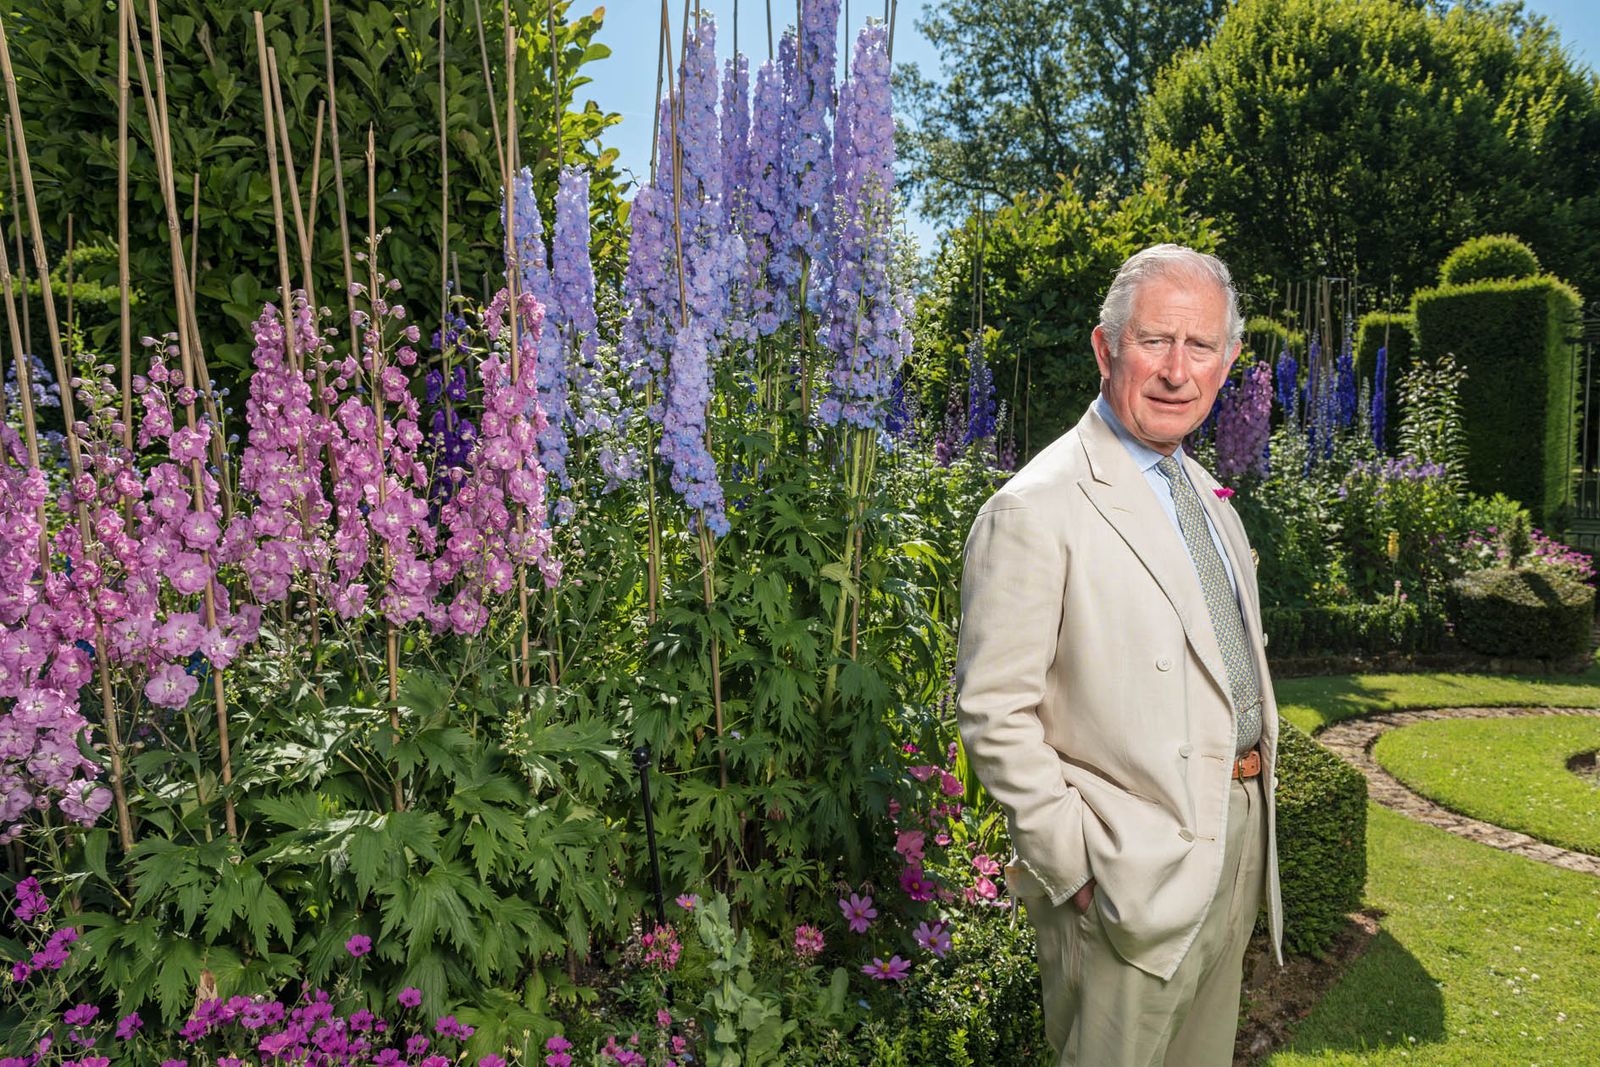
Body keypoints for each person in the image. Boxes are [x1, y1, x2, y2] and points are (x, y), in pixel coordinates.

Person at [954, 244, 1283, 1065]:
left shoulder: (1209, 500)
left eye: (1201, 346)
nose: (1179, 371)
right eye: (1155, 342)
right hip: (1125, 871)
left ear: (1229, 360)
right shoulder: (1035, 505)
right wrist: (1079, 867)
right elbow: (995, 712)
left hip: (1235, 842)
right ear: (1106, 350)